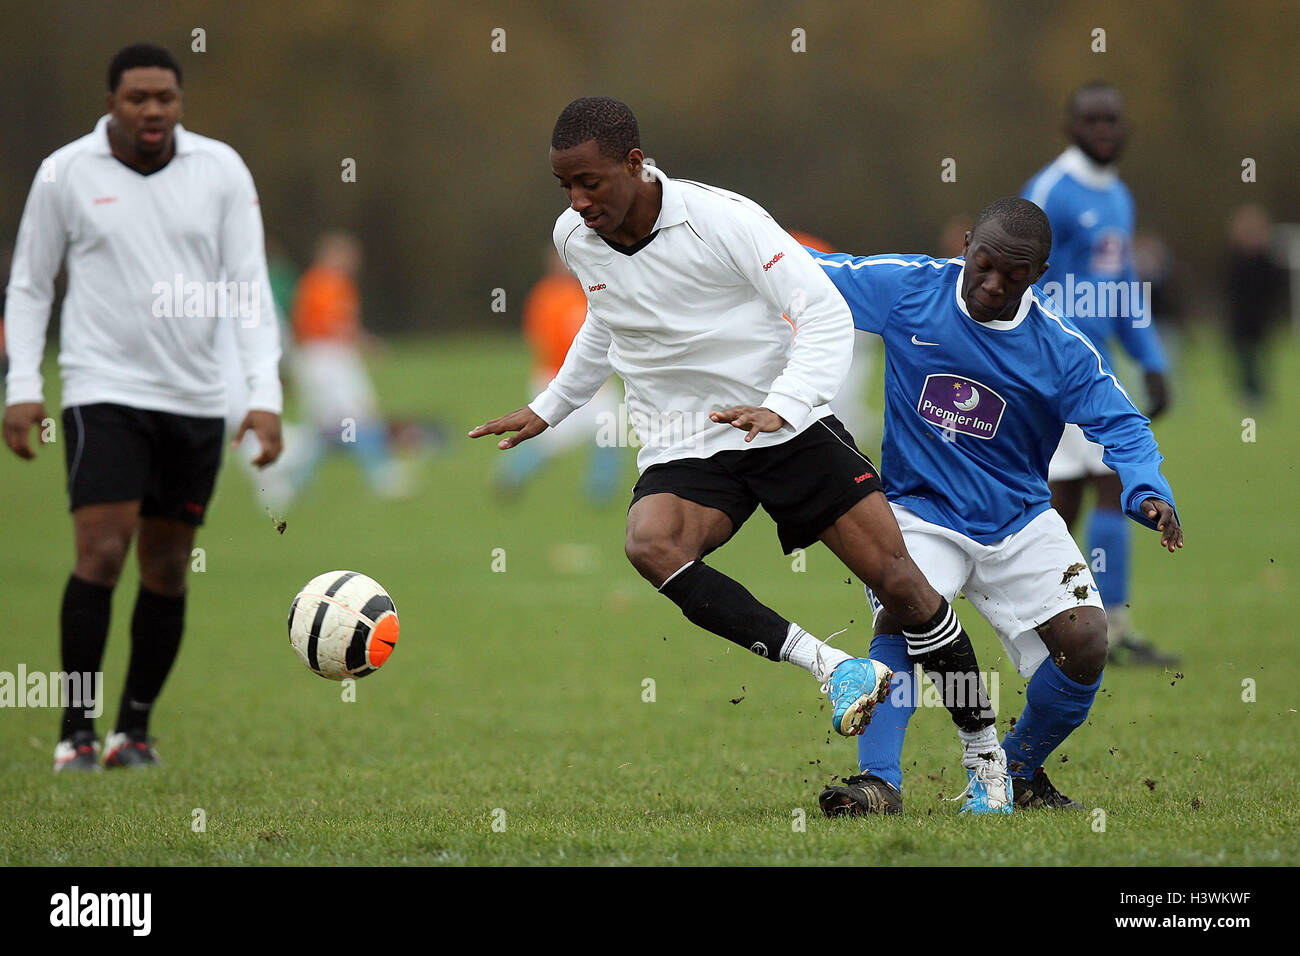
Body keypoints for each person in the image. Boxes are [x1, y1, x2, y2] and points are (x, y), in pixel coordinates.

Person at [470, 97, 1011, 810]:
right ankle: (830, 666)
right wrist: (551, 407)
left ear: (636, 164)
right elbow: (608, 318)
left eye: (591, 183)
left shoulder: (724, 220)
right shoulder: (576, 237)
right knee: (650, 543)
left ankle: (987, 761)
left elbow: (824, 312)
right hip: (687, 440)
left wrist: (783, 405)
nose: (577, 202)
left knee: (906, 589)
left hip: (782, 421)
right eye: (564, 187)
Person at [808, 198, 1182, 815]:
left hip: (1017, 515)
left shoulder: (1060, 348)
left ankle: (1017, 772)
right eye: (983, 265)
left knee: (1087, 641)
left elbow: (1126, 426)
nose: (992, 284)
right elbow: (807, 272)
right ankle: (878, 783)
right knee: (904, 612)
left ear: (1039, 273)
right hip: (920, 510)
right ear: (965, 245)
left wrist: (1147, 489)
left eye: (1013, 275)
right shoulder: (909, 289)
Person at [1, 44, 283, 771]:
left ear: (179, 102)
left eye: (165, 97)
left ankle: (135, 731)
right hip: (104, 389)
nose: (152, 110)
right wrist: (22, 383)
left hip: (194, 400)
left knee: (166, 568)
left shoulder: (220, 169)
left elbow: (249, 284)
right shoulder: (65, 172)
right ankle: (75, 732)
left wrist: (263, 393)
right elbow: (31, 284)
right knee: (100, 551)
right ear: (111, 103)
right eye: (137, 99)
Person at [1023, 82, 1177, 667]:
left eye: (1112, 120)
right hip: (1056, 371)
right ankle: (1054, 624)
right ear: (1070, 127)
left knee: (1107, 487)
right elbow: (1018, 279)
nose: (1104, 130)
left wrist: (1154, 362)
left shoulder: (1118, 197)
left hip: (1101, 373)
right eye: (1092, 121)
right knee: (1059, 501)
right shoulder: (1049, 192)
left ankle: (1105, 624)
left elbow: (1124, 290)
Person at [493, 247, 623, 504]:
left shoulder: (585, 291)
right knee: (554, 439)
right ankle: (510, 475)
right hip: (558, 378)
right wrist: (578, 373)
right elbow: (547, 342)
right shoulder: (545, 297)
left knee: (611, 429)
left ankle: (600, 491)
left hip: (591, 378)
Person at [289, 230, 410, 499]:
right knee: (362, 416)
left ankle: (295, 483)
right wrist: (367, 344)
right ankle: (382, 476)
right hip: (328, 359)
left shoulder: (325, 283)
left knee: (327, 427)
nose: (353, 260)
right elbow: (335, 325)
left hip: (321, 359)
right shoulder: (325, 283)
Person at [1224, 204, 1287, 405]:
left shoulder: (1268, 262)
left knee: (1259, 357)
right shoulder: (1235, 261)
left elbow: (1276, 289)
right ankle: (1248, 392)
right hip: (1240, 319)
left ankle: (1259, 393)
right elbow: (1229, 288)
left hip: (1260, 319)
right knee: (1242, 357)